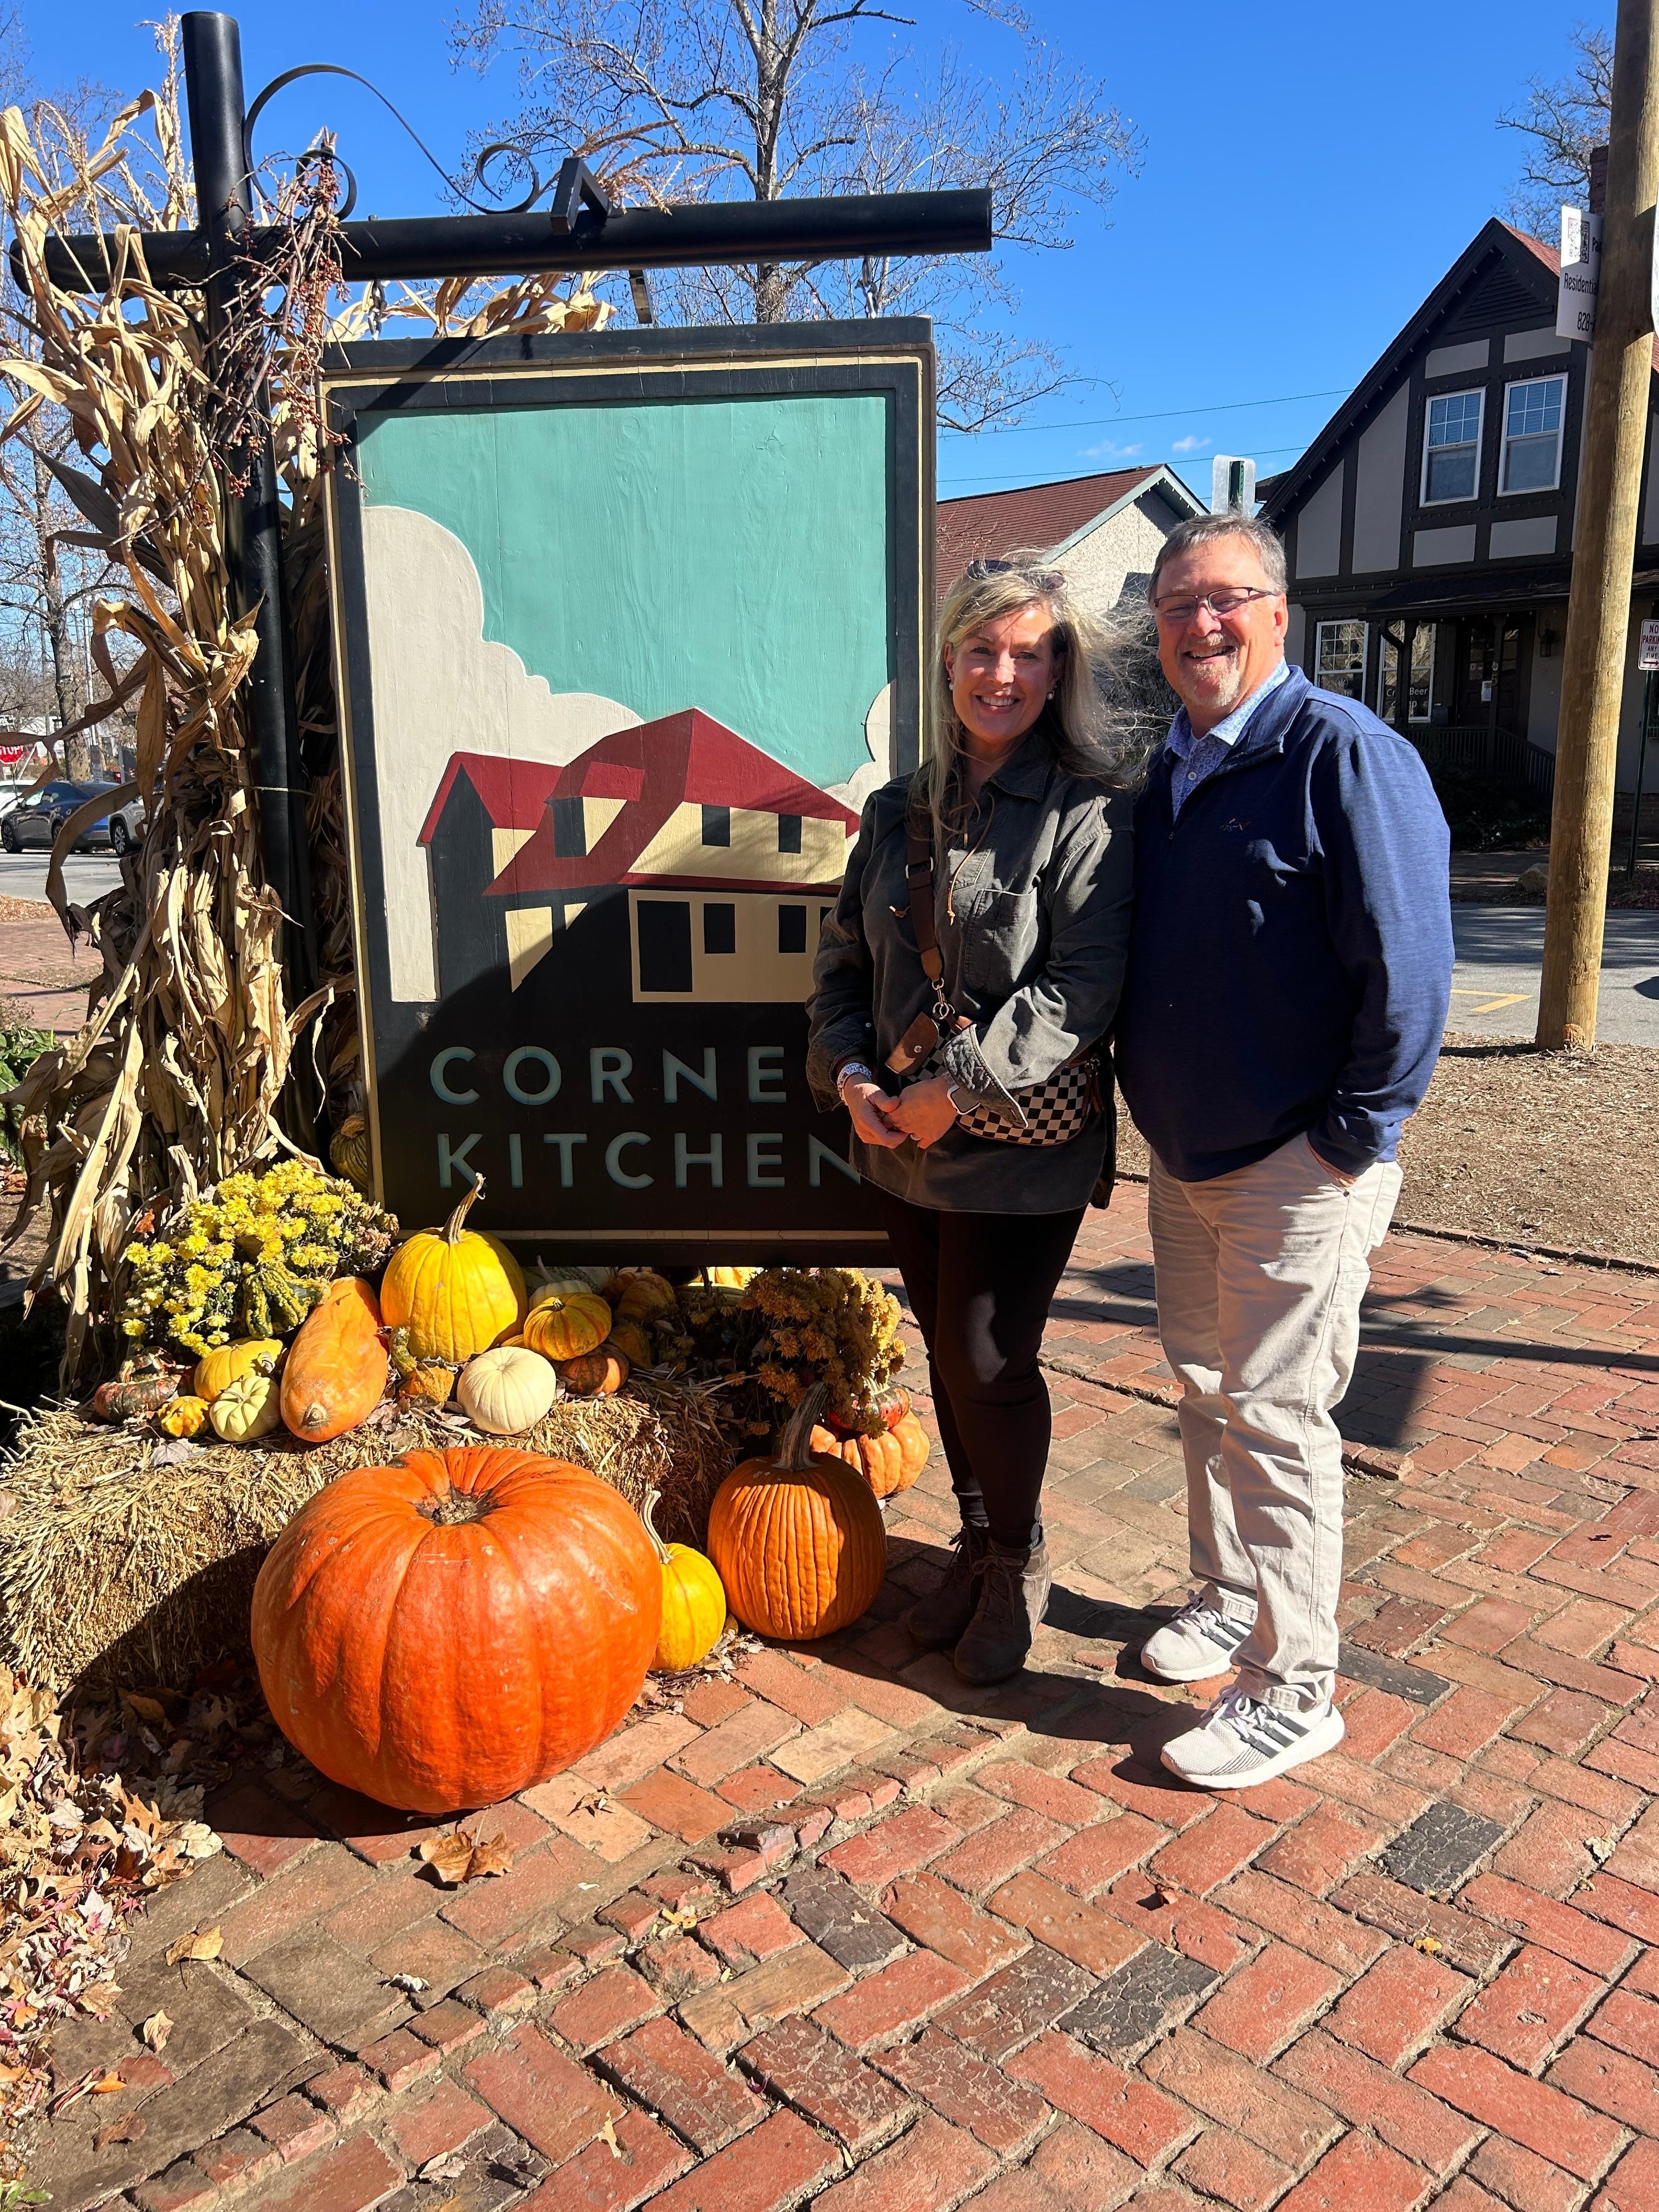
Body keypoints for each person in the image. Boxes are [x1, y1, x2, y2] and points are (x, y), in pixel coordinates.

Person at [1114, 511, 1452, 1788]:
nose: (1201, 623)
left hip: (1295, 1164)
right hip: (1187, 1156)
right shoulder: (1172, 768)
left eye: (1226, 599)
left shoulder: (1343, 757)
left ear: (1278, 611)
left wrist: (1349, 1145)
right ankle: (1224, 1595)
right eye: (1176, 605)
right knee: (1207, 1389)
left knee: (1276, 1416)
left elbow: (1411, 976)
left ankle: (1296, 1683)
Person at [808, 554, 1135, 1685]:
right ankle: (978, 1539)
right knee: (947, 1354)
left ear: (1058, 669)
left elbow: (1082, 988)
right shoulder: (899, 805)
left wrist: (961, 1088)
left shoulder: (1088, 813)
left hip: (1016, 1146)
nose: (1003, 673)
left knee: (991, 1355)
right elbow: (844, 963)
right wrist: (849, 1076)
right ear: (948, 658)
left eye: (1029, 652)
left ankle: (1018, 1558)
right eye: (982, 649)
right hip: (898, 1143)